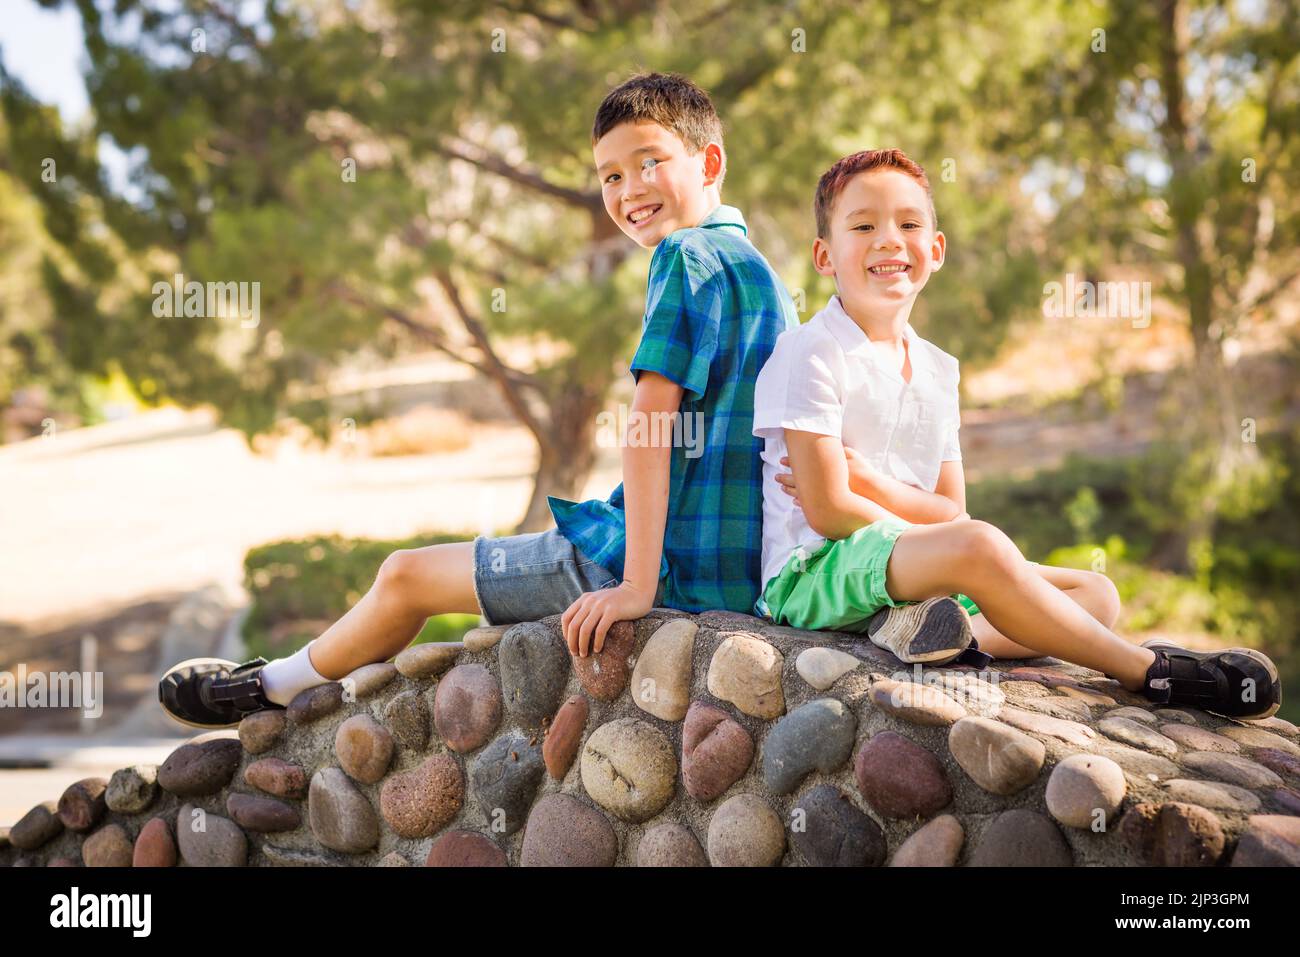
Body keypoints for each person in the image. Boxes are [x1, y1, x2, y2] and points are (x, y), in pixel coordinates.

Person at [158, 72, 799, 729]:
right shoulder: (767, 277)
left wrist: (635, 586)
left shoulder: (685, 257)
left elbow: (648, 428)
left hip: (664, 566)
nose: (629, 190)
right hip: (735, 574)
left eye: (649, 163)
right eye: (610, 176)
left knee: (406, 576)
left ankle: (270, 686)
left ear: (709, 160)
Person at [751, 148, 1281, 719]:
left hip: (917, 564)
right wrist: (945, 538)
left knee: (1094, 595)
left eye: (908, 224)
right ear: (824, 255)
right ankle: (1147, 670)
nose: (888, 240)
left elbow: (952, 509)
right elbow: (830, 514)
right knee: (980, 546)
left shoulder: (938, 368)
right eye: (863, 226)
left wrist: (874, 484)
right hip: (816, 573)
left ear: (936, 249)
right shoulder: (811, 350)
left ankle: (929, 633)